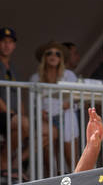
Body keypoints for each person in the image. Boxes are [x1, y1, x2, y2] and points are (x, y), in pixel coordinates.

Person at [0, 27, 30, 179]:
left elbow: (18, 96)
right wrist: (14, 115)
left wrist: (22, 116)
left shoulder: (13, 67)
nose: (7, 45)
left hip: (11, 116)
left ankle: (14, 164)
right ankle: (3, 161)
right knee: (22, 124)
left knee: (37, 129)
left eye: (10, 42)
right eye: (3, 42)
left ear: (14, 45)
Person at [30, 41, 80, 174]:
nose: (53, 56)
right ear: (44, 57)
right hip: (47, 119)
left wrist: (66, 104)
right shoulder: (35, 78)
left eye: (57, 54)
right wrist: (41, 110)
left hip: (66, 117)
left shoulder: (69, 75)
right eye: (49, 53)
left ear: (61, 58)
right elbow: (35, 103)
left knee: (71, 157)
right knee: (48, 156)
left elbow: (76, 99)